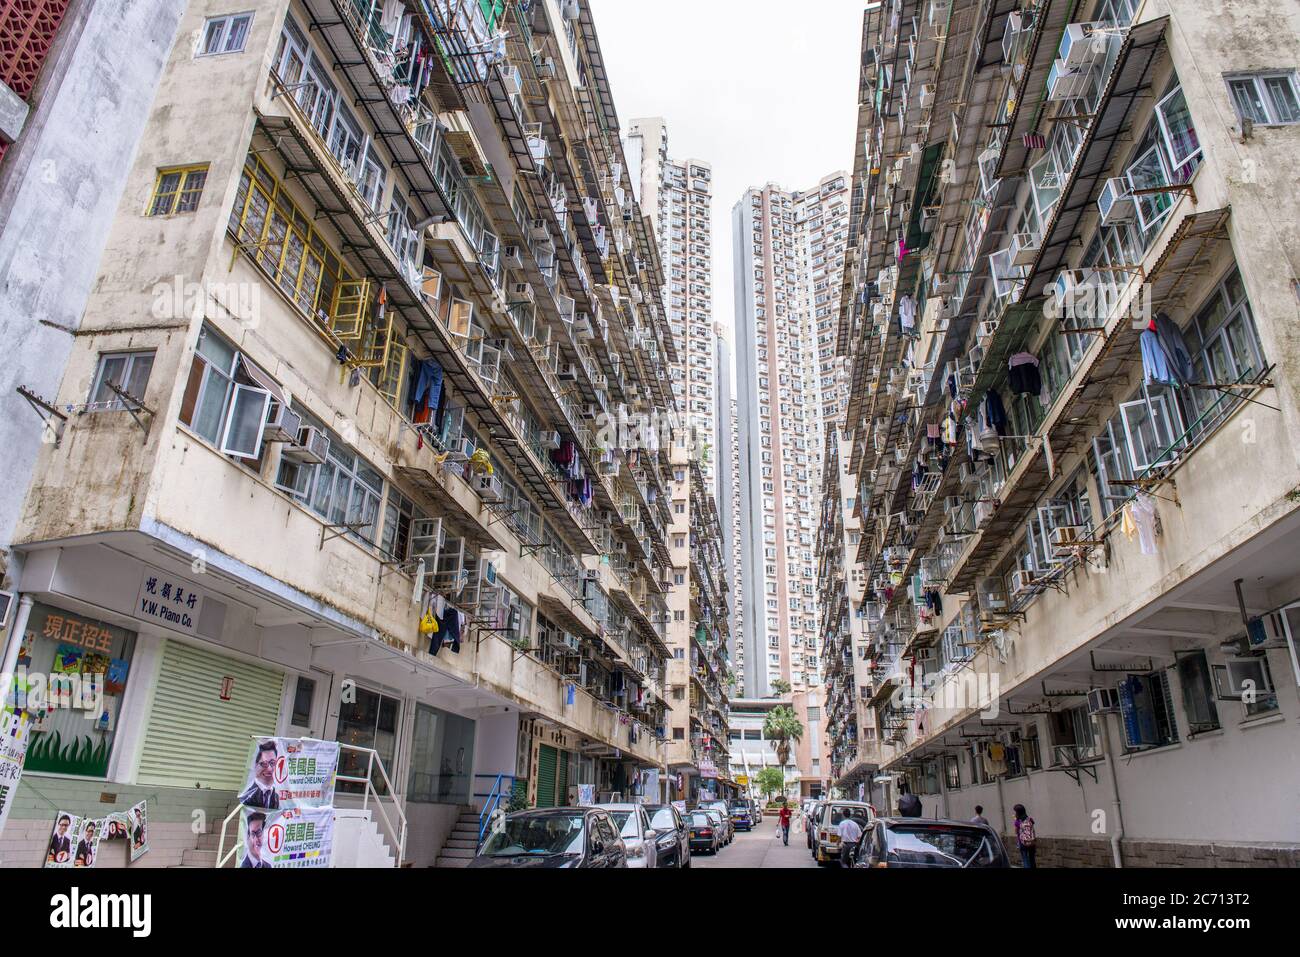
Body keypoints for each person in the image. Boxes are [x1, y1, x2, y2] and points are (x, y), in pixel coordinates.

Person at [240, 740, 281, 809]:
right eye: (264, 764)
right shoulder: (248, 794)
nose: (269, 769)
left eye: (272, 763)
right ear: (255, 765)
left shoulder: (276, 797)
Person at [1013, 804, 1037, 869]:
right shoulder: (1030, 819)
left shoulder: (1017, 821)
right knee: (1032, 860)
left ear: (1017, 812)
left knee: (1025, 860)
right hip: (1031, 842)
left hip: (1023, 843)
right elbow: (1032, 830)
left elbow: (1016, 832)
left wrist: (1015, 820)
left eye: (1015, 811)